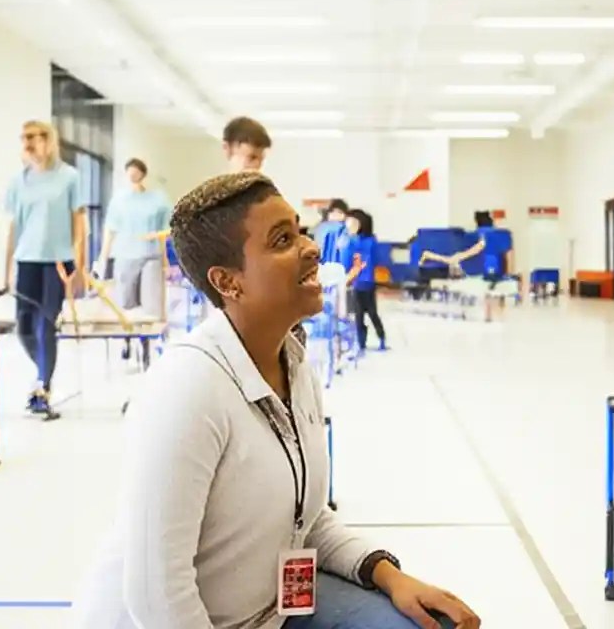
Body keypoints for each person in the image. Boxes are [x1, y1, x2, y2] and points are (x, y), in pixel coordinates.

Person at [73, 172, 478, 629]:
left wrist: (390, 577)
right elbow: (156, 593)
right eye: (282, 240)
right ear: (228, 282)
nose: (310, 247)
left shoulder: (293, 362)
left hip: (270, 611)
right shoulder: (188, 387)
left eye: (300, 229)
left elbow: (304, 516)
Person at [5, 120, 87, 419]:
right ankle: (41, 373)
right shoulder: (18, 182)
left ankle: (42, 386)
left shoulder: (69, 177)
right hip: (26, 260)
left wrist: (80, 264)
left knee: (45, 324)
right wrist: (6, 268)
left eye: (38, 137)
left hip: (57, 261)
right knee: (24, 327)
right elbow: (14, 227)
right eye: (25, 137)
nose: (31, 142)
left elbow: (79, 223)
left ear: (49, 141)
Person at [97, 157, 172, 360]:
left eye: (136, 171)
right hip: (125, 255)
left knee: (151, 305)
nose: (132, 175)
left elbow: (167, 230)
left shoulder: (158, 199)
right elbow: (110, 229)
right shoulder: (119, 200)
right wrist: (102, 259)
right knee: (126, 303)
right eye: (129, 172)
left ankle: (146, 345)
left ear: (142, 173)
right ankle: (126, 341)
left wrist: (164, 258)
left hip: (151, 256)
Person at [345, 209, 386, 352]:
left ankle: (379, 338)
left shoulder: (365, 241)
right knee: (360, 314)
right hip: (359, 283)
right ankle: (363, 342)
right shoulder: (354, 240)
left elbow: (376, 259)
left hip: (366, 282)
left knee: (370, 313)